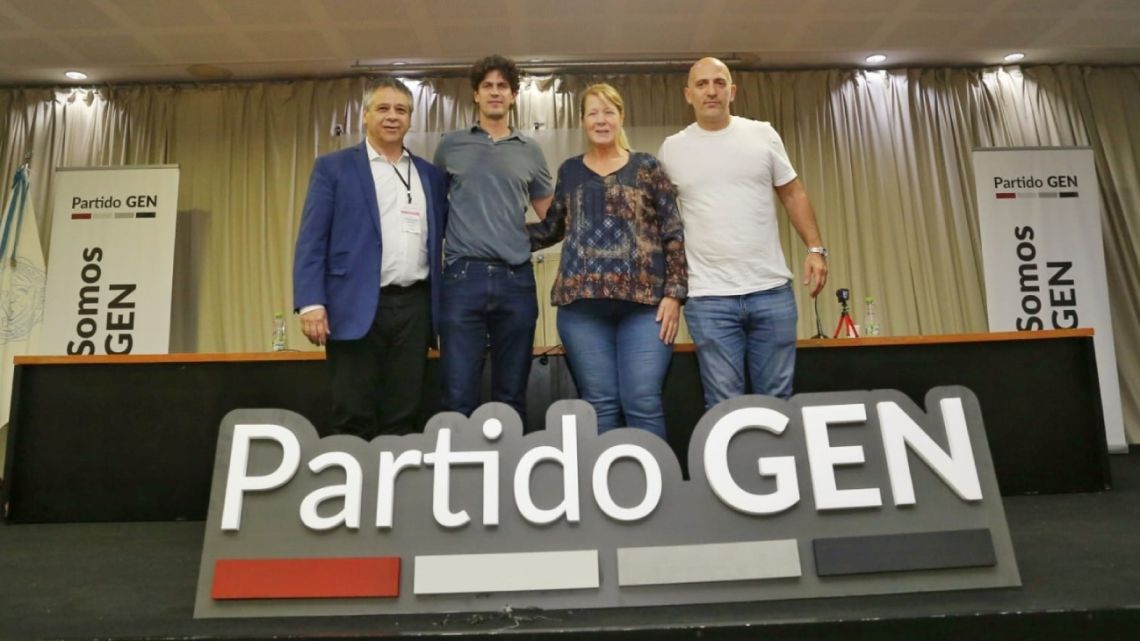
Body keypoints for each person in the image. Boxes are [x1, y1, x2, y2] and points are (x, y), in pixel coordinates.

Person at [658, 57, 828, 406]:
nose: (711, 91)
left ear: (732, 91)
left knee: (778, 402)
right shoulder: (671, 149)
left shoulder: (762, 134)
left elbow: (792, 192)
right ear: (688, 94)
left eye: (719, 83)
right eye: (702, 84)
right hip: (708, 297)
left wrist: (815, 248)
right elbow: (659, 224)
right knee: (723, 406)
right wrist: (670, 292)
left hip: (771, 292)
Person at [529, 83, 686, 439]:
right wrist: (493, 232)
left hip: (646, 309)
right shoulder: (570, 171)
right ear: (582, 121)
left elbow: (673, 232)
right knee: (600, 404)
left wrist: (674, 294)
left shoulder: (647, 166)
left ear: (621, 117)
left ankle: (656, 490)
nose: (601, 120)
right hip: (582, 310)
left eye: (608, 112)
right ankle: (607, 492)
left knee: (643, 402)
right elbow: (551, 228)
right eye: (593, 113)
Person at [293, 78, 448, 438]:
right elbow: (312, 239)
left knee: (405, 414)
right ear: (365, 116)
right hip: (354, 306)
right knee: (352, 411)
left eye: (401, 110)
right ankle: (352, 492)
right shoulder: (334, 168)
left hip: (415, 307)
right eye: (383, 108)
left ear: (411, 119)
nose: (392, 117)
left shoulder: (429, 175)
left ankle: (398, 491)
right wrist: (310, 303)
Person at [433, 55, 554, 420]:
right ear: (476, 94)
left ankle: (508, 474)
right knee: (457, 396)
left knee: (512, 395)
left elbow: (553, 218)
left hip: (515, 279)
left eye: (503, 86)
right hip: (461, 279)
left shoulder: (529, 150)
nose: (495, 93)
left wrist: (517, 239)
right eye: (488, 86)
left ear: (514, 95)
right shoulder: (450, 146)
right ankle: (455, 475)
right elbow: (434, 212)